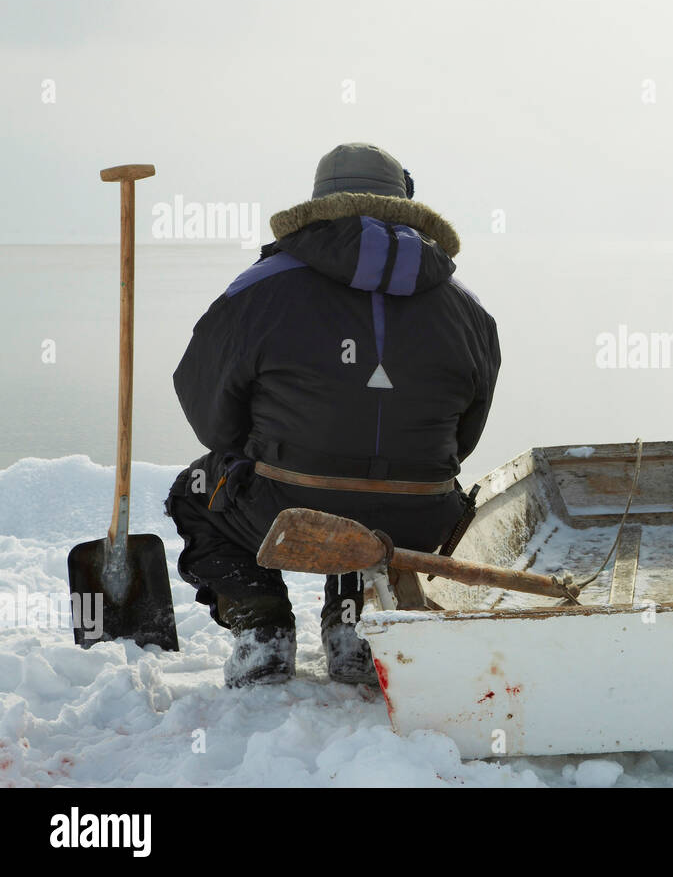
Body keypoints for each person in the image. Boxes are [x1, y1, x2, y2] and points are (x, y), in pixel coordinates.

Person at [165, 143, 501, 688]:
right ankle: (354, 627)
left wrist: (273, 445)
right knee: (378, 491)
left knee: (196, 489)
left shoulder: (260, 287)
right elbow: (465, 438)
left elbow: (213, 422)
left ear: (319, 202)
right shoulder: (468, 307)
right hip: (421, 516)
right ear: (403, 203)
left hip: (286, 503)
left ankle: (263, 630)